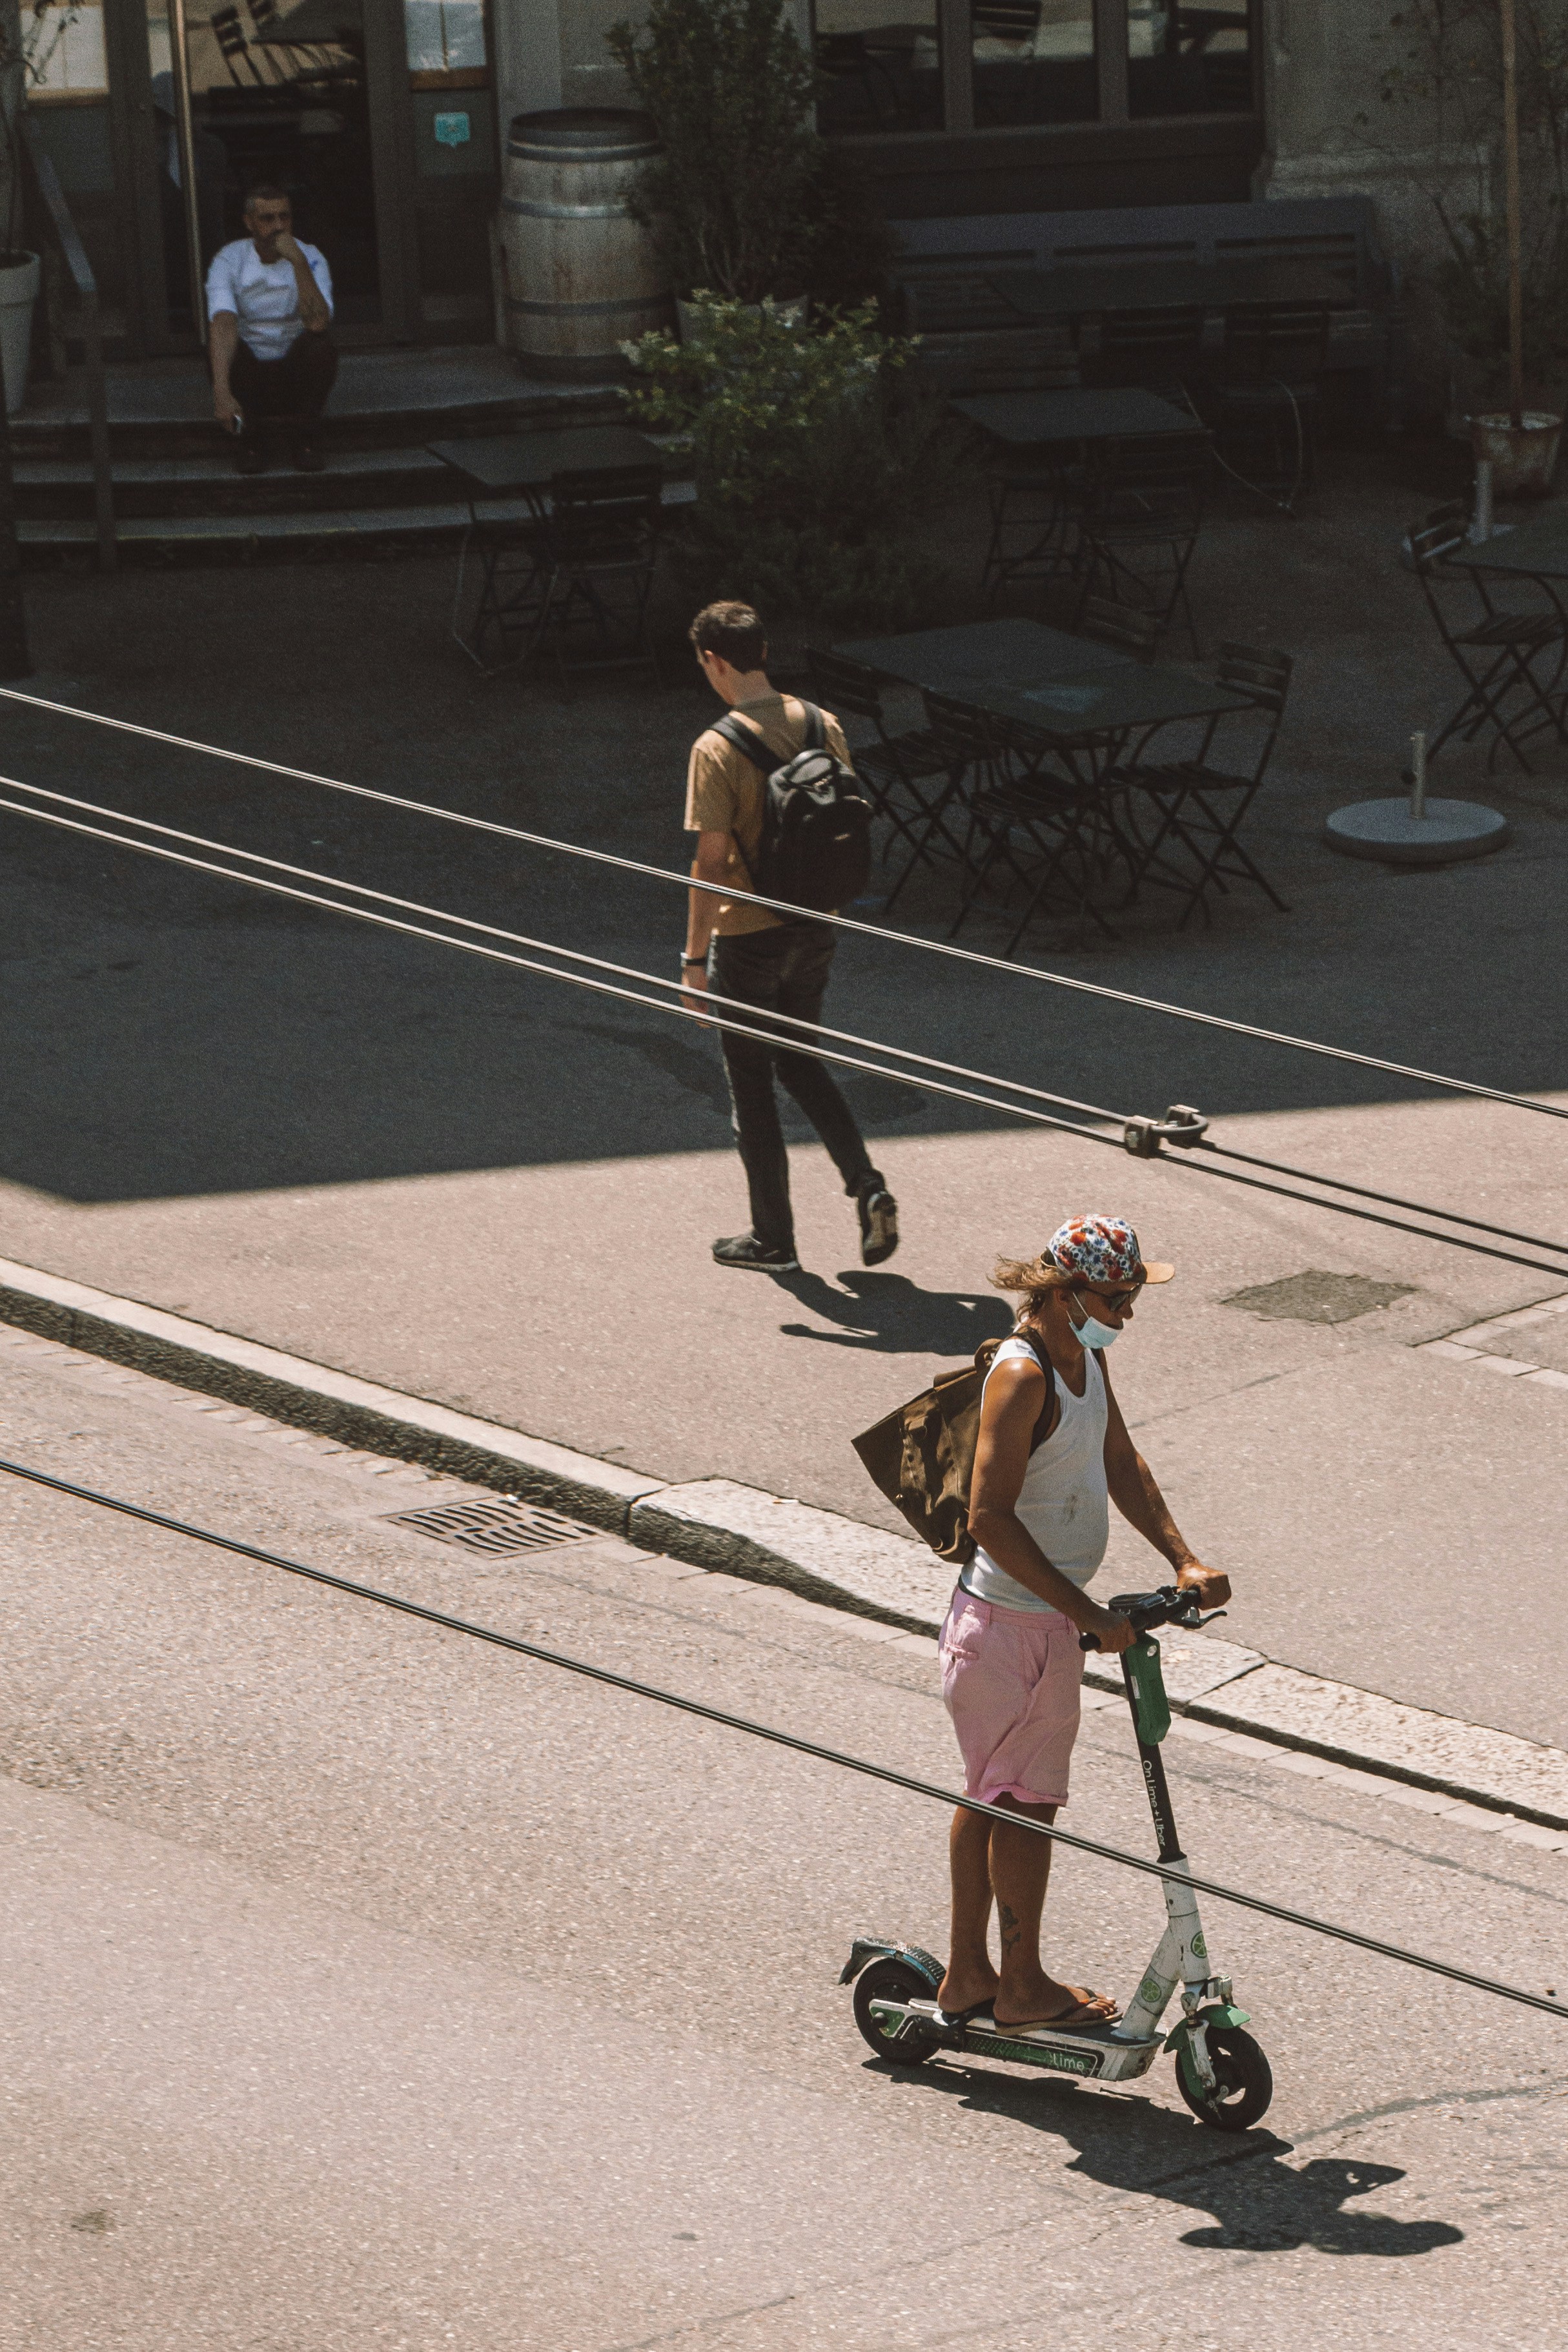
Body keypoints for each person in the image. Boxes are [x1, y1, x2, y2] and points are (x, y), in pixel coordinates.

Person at [935, 1214, 1230, 2031]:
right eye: (1115, 1296)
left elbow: (1117, 1459)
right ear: (1064, 1293)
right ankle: (1018, 1988)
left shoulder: (1085, 1357)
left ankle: (968, 1976)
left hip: (1036, 1625)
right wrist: (1086, 1614)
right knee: (1021, 1804)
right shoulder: (1022, 1373)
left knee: (995, 1796)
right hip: (1005, 1625)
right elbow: (989, 1516)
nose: (1126, 1313)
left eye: (1132, 1296)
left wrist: (1182, 1558)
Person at [682, 600, 899, 1276]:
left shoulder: (714, 747)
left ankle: (772, 1239)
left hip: (748, 935)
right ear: (764, 650)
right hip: (817, 922)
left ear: (714, 661)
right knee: (802, 1060)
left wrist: (693, 957)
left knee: (750, 1086)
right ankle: (866, 1185)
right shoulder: (819, 721)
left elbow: (710, 863)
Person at [208, 185, 336, 476]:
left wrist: (299, 263)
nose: (278, 227)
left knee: (321, 346)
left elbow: (317, 324)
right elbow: (223, 321)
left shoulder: (311, 256)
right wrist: (221, 392)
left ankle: (306, 439)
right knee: (223, 346)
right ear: (249, 222)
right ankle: (248, 442)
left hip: (294, 369)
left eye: (284, 217)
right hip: (250, 370)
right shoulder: (229, 260)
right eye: (267, 219)